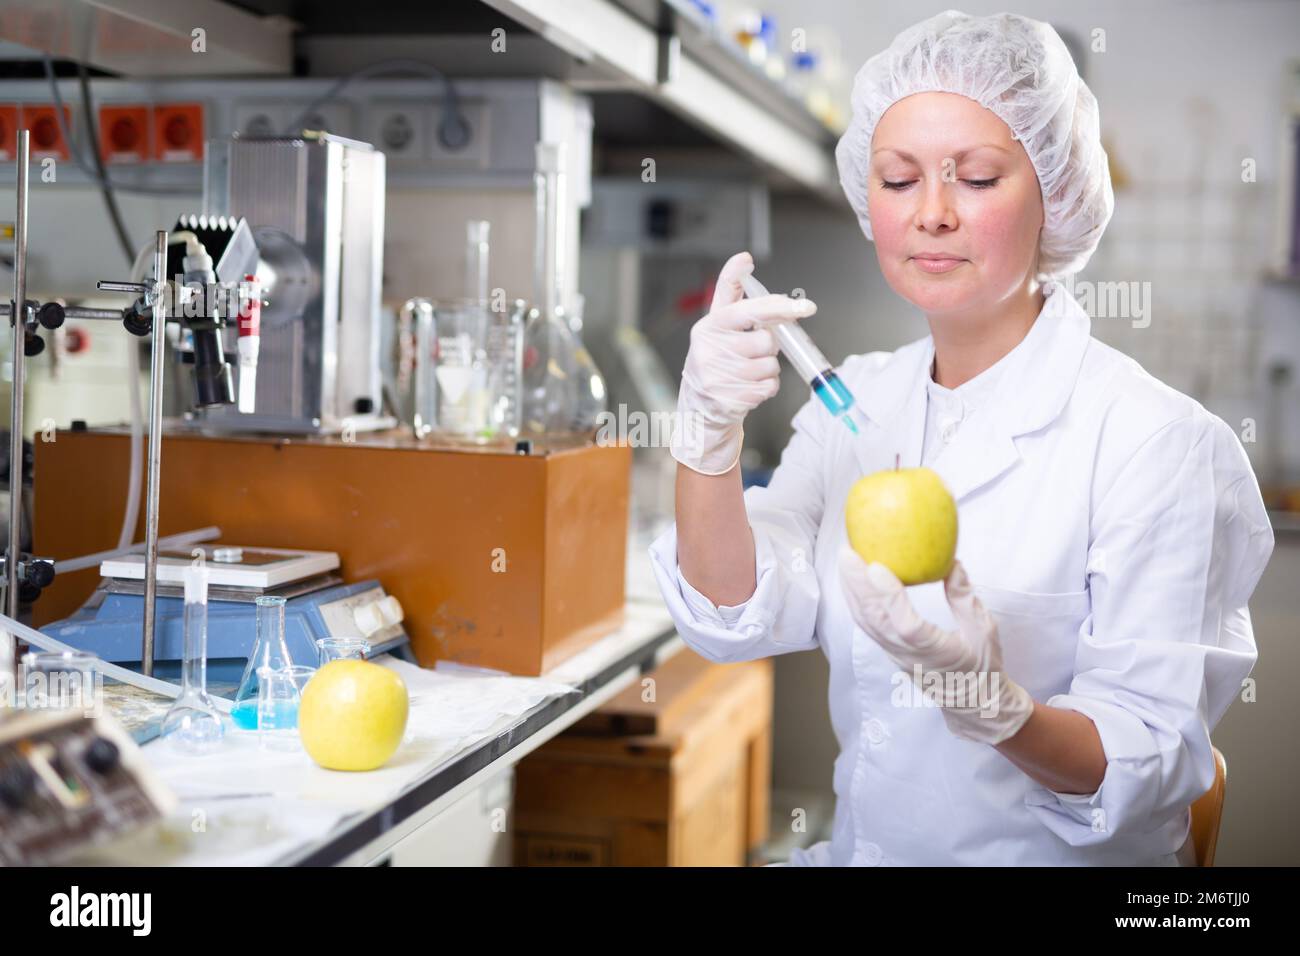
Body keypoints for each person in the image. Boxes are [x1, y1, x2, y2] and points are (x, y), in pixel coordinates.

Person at [649, 9, 1275, 865]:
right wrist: (708, 436)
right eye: (898, 179)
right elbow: (735, 612)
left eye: (976, 178)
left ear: (1054, 195)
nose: (932, 214)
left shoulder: (1154, 442)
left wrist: (998, 709)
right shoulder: (856, 401)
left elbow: (1152, 758)